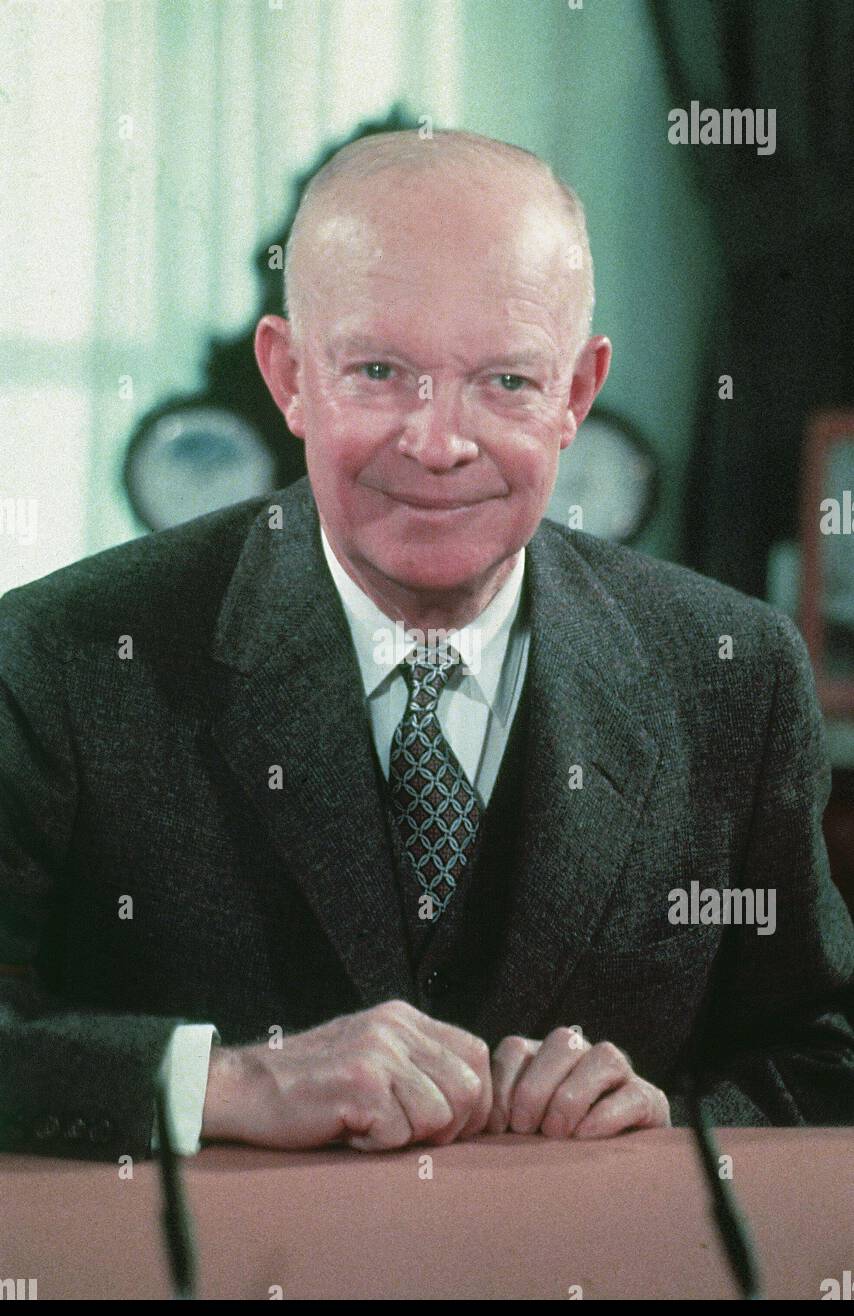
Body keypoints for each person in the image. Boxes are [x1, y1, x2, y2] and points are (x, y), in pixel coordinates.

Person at [1, 131, 852, 1162]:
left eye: (506, 381)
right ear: (288, 375)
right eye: (377, 370)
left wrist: (665, 1125)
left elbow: (823, 1058)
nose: (439, 443)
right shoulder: (61, 658)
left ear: (575, 394)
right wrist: (223, 1082)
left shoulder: (733, 672)